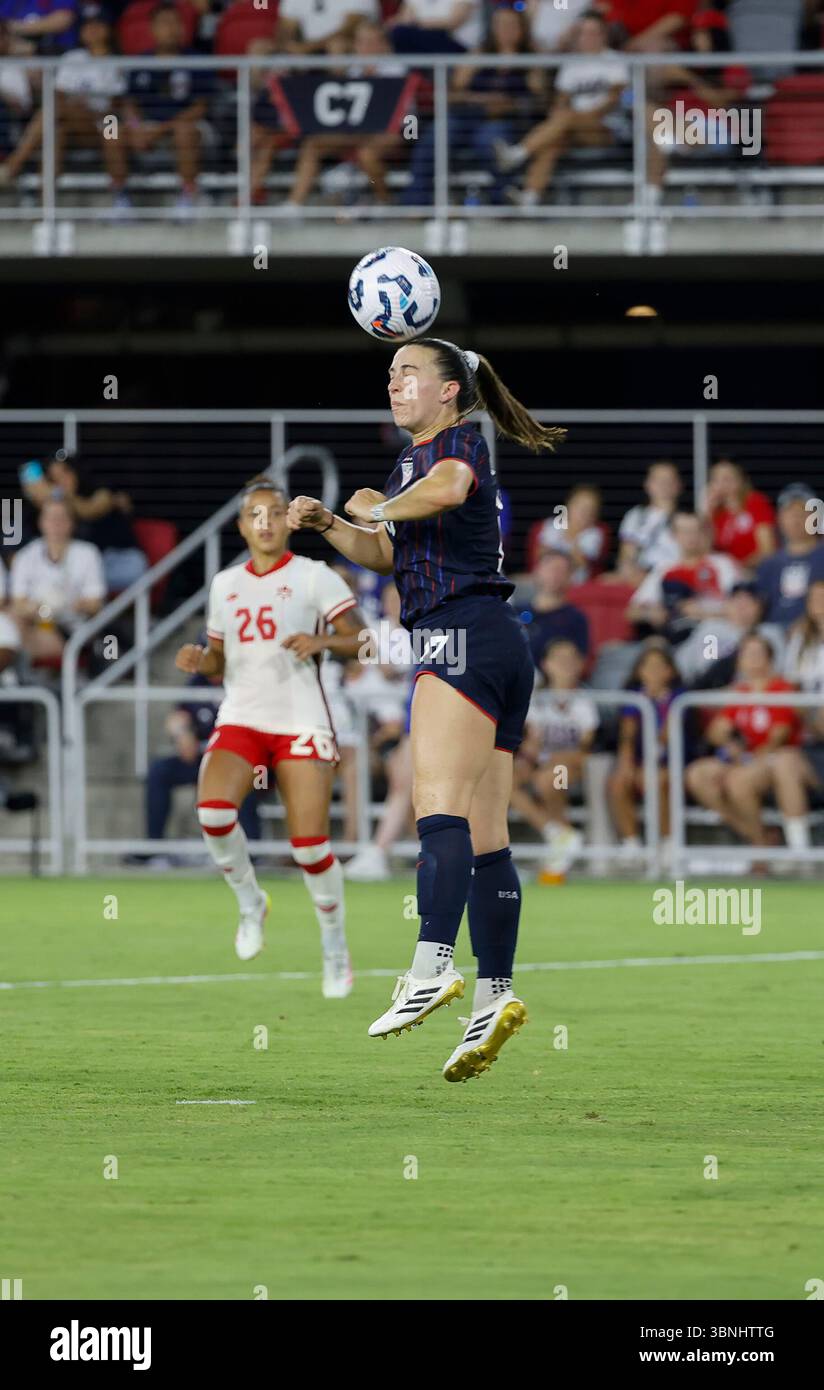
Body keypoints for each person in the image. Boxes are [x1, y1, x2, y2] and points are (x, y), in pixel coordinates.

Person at [287, 337, 565, 1083]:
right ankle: (493, 995)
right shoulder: (412, 463)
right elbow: (387, 553)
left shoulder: (459, 442)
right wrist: (334, 529)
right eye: (388, 373)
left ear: (449, 391)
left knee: (434, 809)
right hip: (496, 642)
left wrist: (379, 507)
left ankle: (430, 967)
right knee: (487, 836)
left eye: (408, 371)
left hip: (460, 635)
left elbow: (445, 491)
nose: (393, 382)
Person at [174, 475, 365, 998]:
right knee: (212, 812)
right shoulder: (225, 584)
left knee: (309, 846)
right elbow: (218, 660)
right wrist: (201, 659)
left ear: (288, 520)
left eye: (274, 512)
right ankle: (250, 901)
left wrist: (321, 639)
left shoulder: (314, 576)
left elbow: (365, 642)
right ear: (241, 525)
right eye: (254, 514)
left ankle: (333, 945)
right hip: (242, 716)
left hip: (301, 719)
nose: (264, 522)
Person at [404, 2, 546, 208]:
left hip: (507, 119)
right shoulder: (480, 53)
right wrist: (480, 100)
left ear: (522, 28)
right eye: (500, 24)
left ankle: (502, 202)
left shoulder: (532, 56)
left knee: (490, 142)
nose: (505, 30)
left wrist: (509, 104)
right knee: (437, 135)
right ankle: (415, 203)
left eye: (511, 25)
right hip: (469, 115)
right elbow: (453, 93)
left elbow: (539, 97)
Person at [495, 10, 629, 207]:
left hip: (606, 128)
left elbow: (614, 100)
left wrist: (575, 117)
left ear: (604, 35)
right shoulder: (571, 64)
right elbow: (561, 101)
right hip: (573, 128)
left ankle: (518, 153)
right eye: (584, 33)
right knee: (552, 143)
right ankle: (530, 198)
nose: (588, 38)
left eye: (594, 32)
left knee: (565, 118)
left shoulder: (615, 60)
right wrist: (563, 118)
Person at [686, 633, 802, 854]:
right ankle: (760, 838)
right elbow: (715, 732)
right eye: (747, 653)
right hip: (744, 759)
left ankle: (761, 851)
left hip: (774, 760)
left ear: (770, 658)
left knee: (738, 781)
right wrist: (732, 743)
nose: (752, 659)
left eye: (757, 653)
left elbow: (778, 737)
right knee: (698, 775)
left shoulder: (781, 689)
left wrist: (745, 759)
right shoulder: (741, 692)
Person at [0, 5, 128, 200]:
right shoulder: (72, 57)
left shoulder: (118, 61)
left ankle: (12, 166)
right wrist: (75, 107)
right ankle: (46, 207)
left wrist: (81, 107)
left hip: (106, 126)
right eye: (87, 26)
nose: (92, 30)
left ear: (108, 29)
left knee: (109, 129)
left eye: (97, 25)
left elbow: (114, 107)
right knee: (55, 129)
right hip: (75, 125)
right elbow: (57, 95)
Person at [510, 637, 598, 878]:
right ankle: (555, 833)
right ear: (546, 664)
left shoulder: (585, 699)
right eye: (559, 660)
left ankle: (564, 833)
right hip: (542, 763)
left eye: (570, 660)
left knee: (550, 778)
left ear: (580, 664)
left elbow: (586, 744)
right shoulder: (538, 698)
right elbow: (533, 741)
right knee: (504, 779)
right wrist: (527, 759)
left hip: (570, 765)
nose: (565, 665)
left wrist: (555, 759)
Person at [124, 2, 214, 216]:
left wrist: (161, 129)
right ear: (152, 29)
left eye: (176, 23)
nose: (171, 29)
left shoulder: (197, 61)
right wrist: (135, 127)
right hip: (148, 127)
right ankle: (120, 198)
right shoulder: (140, 63)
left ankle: (188, 196)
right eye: (165, 23)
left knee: (184, 130)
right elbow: (129, 103)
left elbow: (200, 108)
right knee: (110, 131)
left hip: (193, 129)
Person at [20, 451, 147, 592]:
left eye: (65, 474)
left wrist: (53, 494)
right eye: (54, 479)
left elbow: (89, 510)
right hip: (81, 565)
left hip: (120, 560)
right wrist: (38, 495)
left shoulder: (99, 490)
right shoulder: (53, 503)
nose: (60, 482)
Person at [608, 638, 683, 859]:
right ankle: (632, 843)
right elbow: (628, 735)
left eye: (659, 667)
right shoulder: (634, 698)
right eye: (648, 667)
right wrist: (626, 762)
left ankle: (667, 843)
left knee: (655, 780)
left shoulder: (678, 697)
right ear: (639, 671)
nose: (654, 672)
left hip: (673, 760)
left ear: (670, 671)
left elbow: (667, 736)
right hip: (642, 760)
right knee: (618, 782)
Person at [9, 496, 104, 663]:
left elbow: (95, 603)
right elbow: (18, 602)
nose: (56, 523)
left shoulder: (88, 553)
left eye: (62, 517)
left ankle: (15, 668)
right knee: (11, 620)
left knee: (13, 637)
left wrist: (66, 605)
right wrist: (39, 609)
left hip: (71, 629)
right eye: (51, 517)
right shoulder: (26, 555)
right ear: (41, 522)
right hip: (34, 624)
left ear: (72, 523)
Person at [627, 510, 739, 640]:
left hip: (713, 636)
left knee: (709, 645)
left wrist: (702, 613)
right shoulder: (664, 570)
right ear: (673, 535)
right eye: (685, 531)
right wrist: (651, 614)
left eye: (696, 530)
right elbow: (631, 612)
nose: (691, 537)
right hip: (675, 638)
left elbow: (742, 608)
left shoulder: (722, 564)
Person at [756, 482, 824, 628]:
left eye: (802, 513)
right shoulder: (769, 564)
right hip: (773, 635)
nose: (796, 520)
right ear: (779, 519)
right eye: (790, 514)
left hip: (815, 633)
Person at [608, 459, 682, 585]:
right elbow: (626, 556)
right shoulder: (636, 516)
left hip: (674, 579)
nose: (664, 485)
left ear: (678, 486)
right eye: (659, 480)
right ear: (648, 484)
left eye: (669, 480)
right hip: (639, 578)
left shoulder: (686, 519)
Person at [518, 547, 590, 667]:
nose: (554, 575)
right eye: (550, 569)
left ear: (569, 577)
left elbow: (579, 663)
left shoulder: (576, 618)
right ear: (537, 571)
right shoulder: (513, 611)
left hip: (552, 683)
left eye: (561, 571)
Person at [702, 458, 776, 571]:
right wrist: (706, 511)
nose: (722, 484)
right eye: (716, 479)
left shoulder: (754, 502)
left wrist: (739, 568)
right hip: (726, 574)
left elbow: (767, 549)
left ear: (740, 480)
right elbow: (704, 552)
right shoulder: (716, 513)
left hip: (755, 571)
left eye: (727, 478)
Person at [531, 482, 607, 582]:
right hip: (545, 580)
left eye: (591, 509)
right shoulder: (552, 525)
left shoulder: (594, 534)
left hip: (575, 583)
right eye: (581, 508)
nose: (585, 513)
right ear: (569, 505)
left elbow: (582, 561)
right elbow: (539, 555)